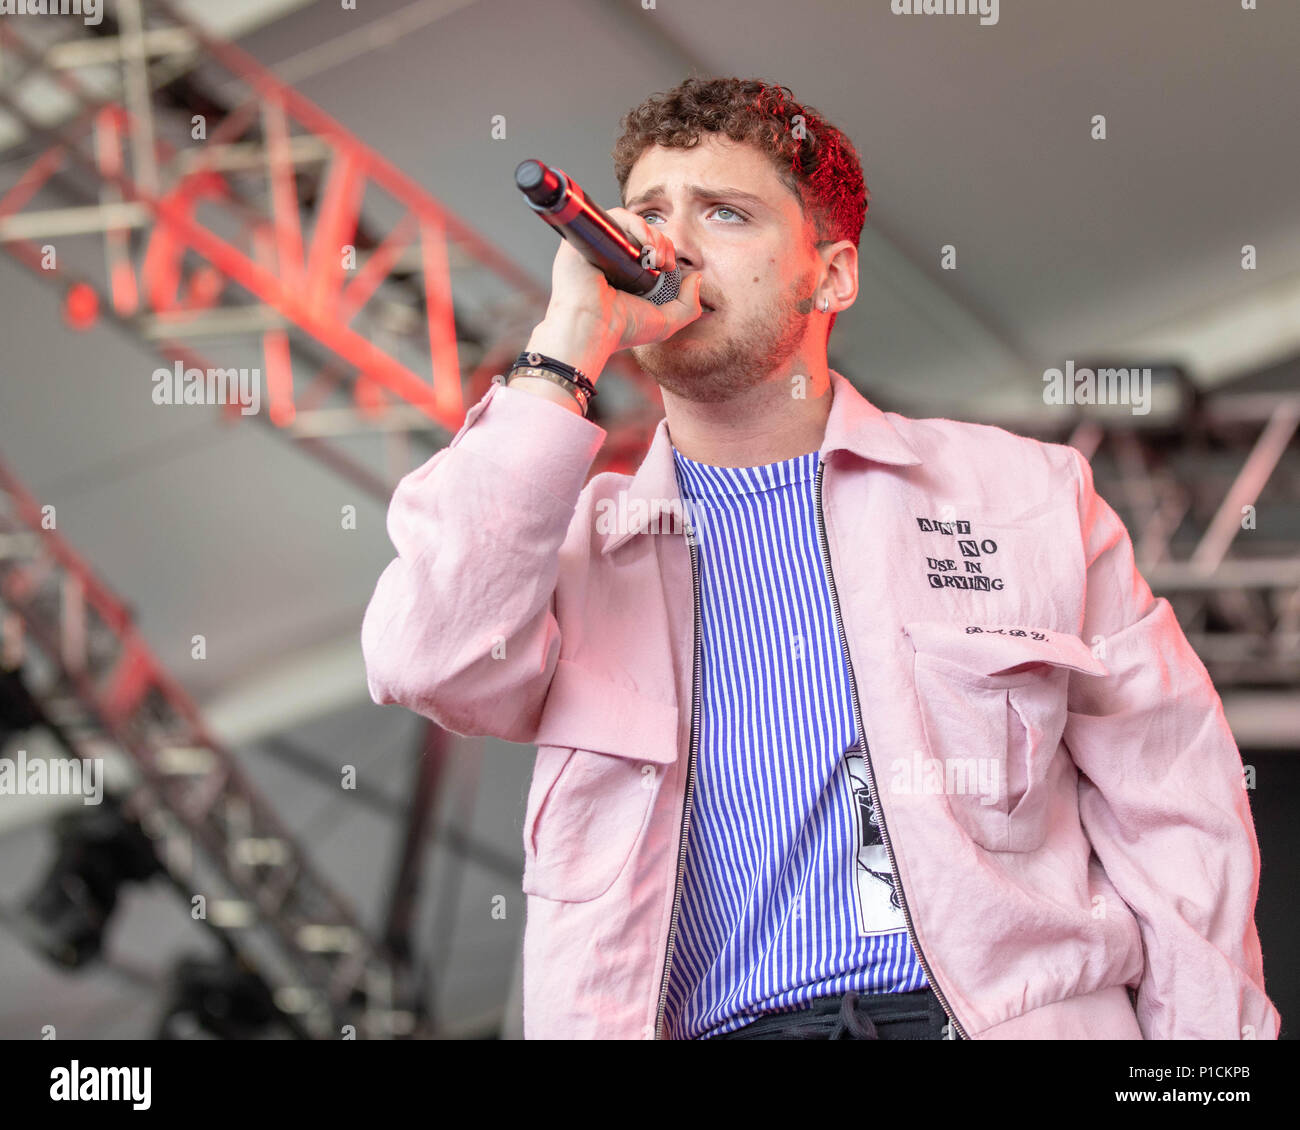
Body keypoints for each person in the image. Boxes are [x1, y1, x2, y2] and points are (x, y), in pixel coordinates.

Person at [361, 76, 1280, 1041]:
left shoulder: (1025, 495)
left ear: (832, 275)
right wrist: (563, 350)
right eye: (647, 216)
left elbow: (1179, 814)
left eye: (725, 212)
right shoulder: (573, 547)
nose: (669, 248)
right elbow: (427, 657)